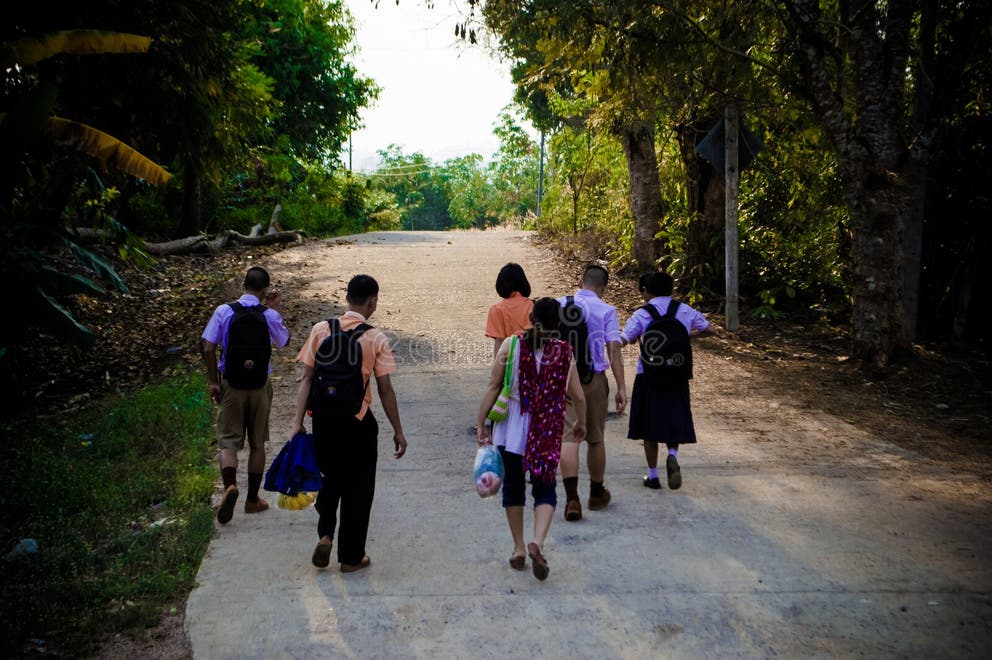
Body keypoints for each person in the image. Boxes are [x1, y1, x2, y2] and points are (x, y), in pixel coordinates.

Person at [291, 274, 408, 573]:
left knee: (329, 479)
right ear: (372, 301)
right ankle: (351, 557)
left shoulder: (320, 330)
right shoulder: (375, 338)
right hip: (358, 423)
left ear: (347, 298)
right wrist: (398, 430)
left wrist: (296, 424)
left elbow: (306, 380)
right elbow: (385, 389)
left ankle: (326, 533)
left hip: (324, 422)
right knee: (359, 487)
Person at [475, 297, 586, 581]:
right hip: (546, 429)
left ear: (531, 317)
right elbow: (578, 396)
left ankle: (518, 548)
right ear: (558, 325)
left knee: (513, 488)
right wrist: (580, 424)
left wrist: (480, 423)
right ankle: (538, 540)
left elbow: (493, 385)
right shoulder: (564, 352)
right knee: (545, 488)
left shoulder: (511, 346)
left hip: (511, 429)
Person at [202, 266, 290, 525]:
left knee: (228, 442)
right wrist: (275, 310)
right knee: (258, 444)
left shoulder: (224, 311)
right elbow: (283, 341)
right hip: (260, 385)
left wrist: (212, 382)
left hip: (232, 384)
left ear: (243, 284)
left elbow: (208, 347)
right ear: (265, 291)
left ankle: (229, 486)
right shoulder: (269, 314)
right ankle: (252, 499)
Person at [621, 272, 714, 490]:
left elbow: (624, 339)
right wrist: (687, 334)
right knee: (674, 417)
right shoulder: (684, 310)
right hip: (677, 374)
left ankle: (653, 476)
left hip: (648, 375)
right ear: (671, 289)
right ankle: (672, 454)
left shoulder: (642, 314)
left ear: (647, 291)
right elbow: (710, 330)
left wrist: (635, 338)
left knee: (648, 425)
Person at [556, 264, 627, 521]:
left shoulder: (558, 303)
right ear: (603, 288)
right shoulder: (607, 310)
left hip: (562, 379)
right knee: (595, 438)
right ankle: (596, 494)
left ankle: (572, 499)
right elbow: (614, 350)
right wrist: (621, 386)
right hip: (593, 380)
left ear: (580, 279)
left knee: (568, 438)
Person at [485, 263, 534, 357]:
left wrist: (497, 365)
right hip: (533, 361)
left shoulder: (496, 310)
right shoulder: (534, 306)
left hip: (510, 362)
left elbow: (499, 340)